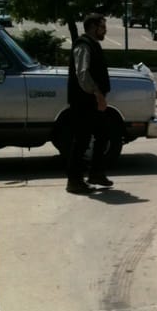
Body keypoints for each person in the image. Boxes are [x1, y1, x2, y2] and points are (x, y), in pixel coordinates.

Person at [66, 13, 114, 194]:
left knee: (103, 135)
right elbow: (83, 75)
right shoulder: (83, 46)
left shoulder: (93, 45)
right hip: (84, 103)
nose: (105, 30)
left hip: (93, 102)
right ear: (93, 27)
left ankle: (96, 173)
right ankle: (74, 181)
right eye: (102, 26)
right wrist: (98, 94)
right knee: (81, 141)